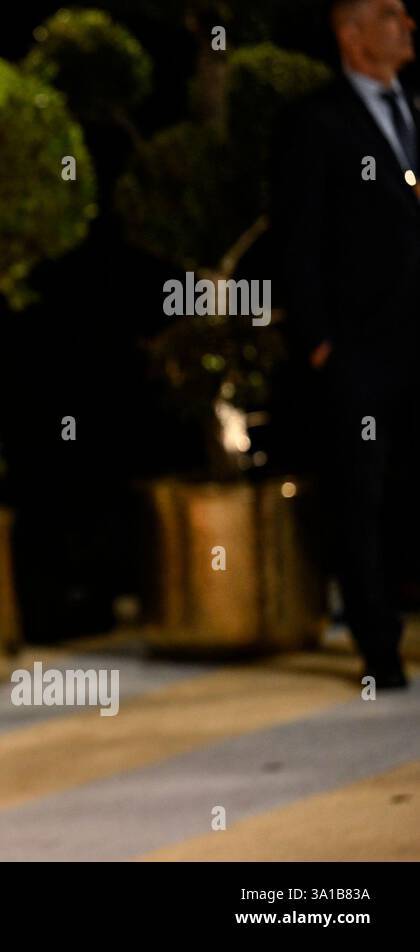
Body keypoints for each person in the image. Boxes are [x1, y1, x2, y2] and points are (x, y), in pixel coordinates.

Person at [272, 0, 418, 689]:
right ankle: (378, 646)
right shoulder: (317, 121)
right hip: (359, 351)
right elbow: (298, 240)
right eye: (391, 14)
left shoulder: (413, 108)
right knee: (363, 499)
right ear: (351, 32)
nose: (408, 25)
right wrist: (321, 342)